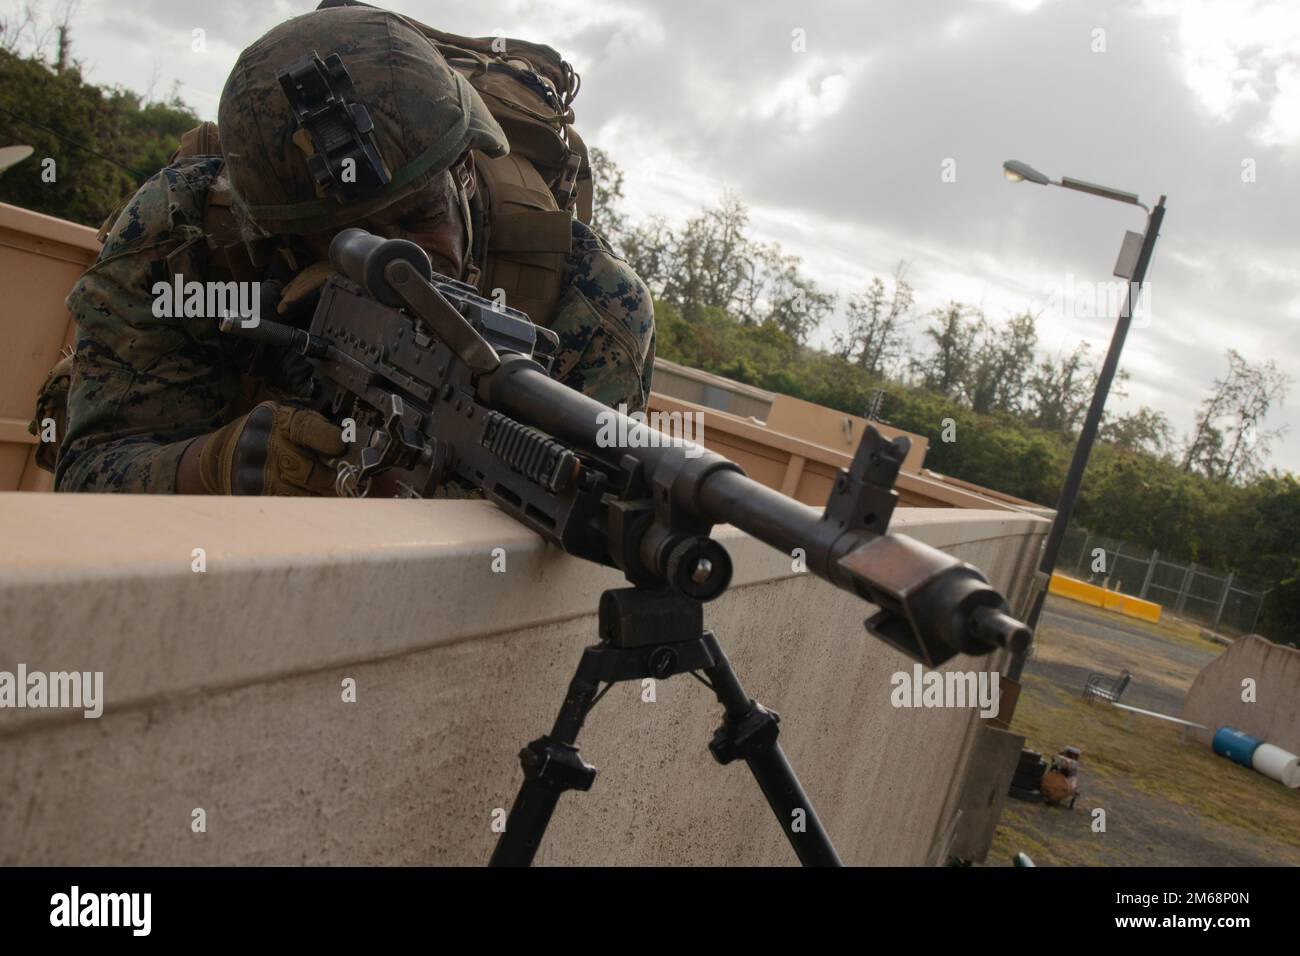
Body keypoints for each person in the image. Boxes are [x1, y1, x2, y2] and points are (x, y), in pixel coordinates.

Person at [51, 5, 654, 496]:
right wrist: (215, 467)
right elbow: (85, 475)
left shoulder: (591, 304)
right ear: (278, 236)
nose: (402, 264)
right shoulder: (183, 237)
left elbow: (584, 539)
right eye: (349, 240)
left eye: (422, 217)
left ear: (464, 171)